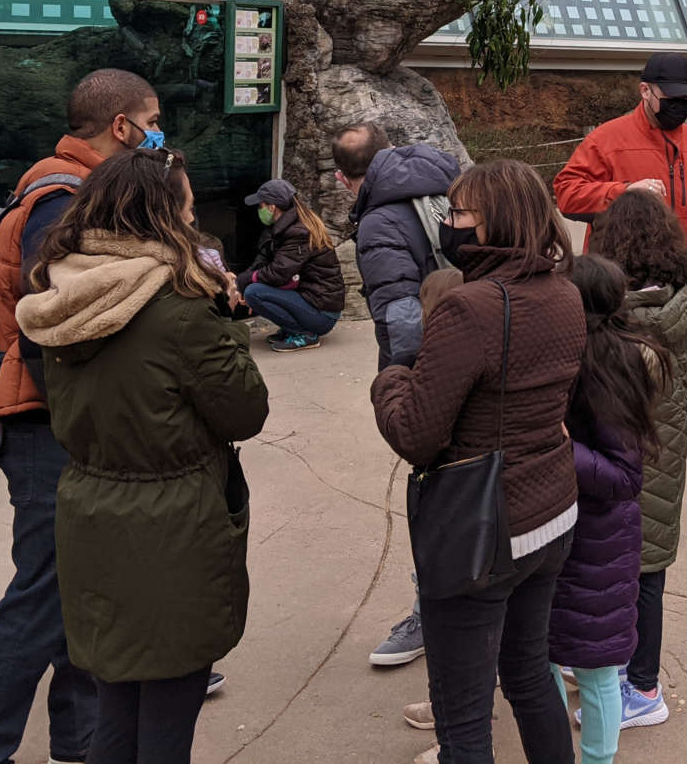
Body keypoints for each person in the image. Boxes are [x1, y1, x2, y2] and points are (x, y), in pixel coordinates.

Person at [16, 149, 269, 764]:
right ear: (162, 220)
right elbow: (245, 411)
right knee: (167, 713)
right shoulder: (180, 312)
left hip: (89, 510)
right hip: (172, 523)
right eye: (186, 209)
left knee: (117, 704)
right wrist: (225, 317)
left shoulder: (58, 295)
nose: (193, 221)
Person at [0, 68, 163, 764]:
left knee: (83, 584)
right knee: (42, 594)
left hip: (64, 420)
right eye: (152, 120)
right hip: (47, 424)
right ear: (122, 127)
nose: (160, 135)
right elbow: (55, 325)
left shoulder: (71, 191)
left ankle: (79, 736)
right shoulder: (60, 201)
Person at [372, 159, 585, 764]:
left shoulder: (471, 308)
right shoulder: (564, 292)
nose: (448, 223)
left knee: (463, 722)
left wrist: (392, 375)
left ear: (495, 223)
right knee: (528, 675)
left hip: (482, 531)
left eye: (459, 213)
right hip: (550, 514)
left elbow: (416, 432)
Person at [333, 122, 461, 667]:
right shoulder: (452, 186)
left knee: (434, 493)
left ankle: (433, 614)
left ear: (344, 179)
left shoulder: (380, 220)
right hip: (489, 352)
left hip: (437, 371)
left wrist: (404, 391)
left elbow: (402, 317)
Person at [587, 191, 687, 731]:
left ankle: (632, 686)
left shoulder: (625, 324)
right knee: (648, 571)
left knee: (617, 574)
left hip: (624, 457)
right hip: (667, 455)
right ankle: (643, 682)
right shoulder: (684, 307)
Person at [549, 256, 667, 764]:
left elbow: (624, 477)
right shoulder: (568, 355)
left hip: (595, 543)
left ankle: (598, 759)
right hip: (558, 535)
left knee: (595, 671)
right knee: (541, 658)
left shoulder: (609, 367)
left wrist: (560, 445)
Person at [554, 52, 687, 313]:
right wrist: (622, 192)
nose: (679, 105)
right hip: (619, 298)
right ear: (645, 91)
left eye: (685, 98)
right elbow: (566, 193)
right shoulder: (606, 139)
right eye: (671, 98)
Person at [236, 178, 345, 352]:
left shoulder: (298, 232)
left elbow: (278, 273)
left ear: (272, 207)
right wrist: (240, 284)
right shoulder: (280, 228)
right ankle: (292, 328)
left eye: (260, 206)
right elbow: (261, 261)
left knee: (254, 292)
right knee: (250, 289)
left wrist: (247, 283)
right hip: (311, 302)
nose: (259, 211)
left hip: (322, 313)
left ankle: (304, 334)